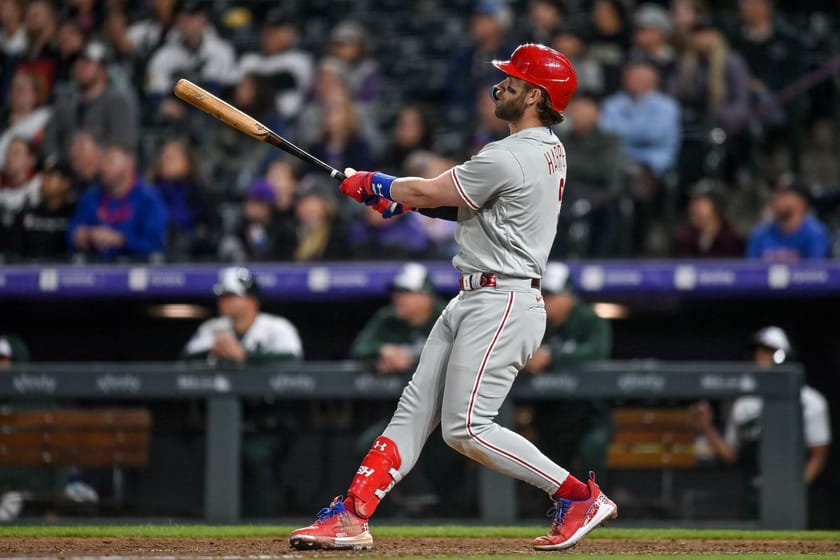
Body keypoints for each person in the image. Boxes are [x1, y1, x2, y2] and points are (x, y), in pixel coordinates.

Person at [290, 43, 617, 552]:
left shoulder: (513, 153)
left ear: (537, 94)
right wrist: (404, 198)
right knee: (413, 413)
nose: (502, 86)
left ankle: (578, 496)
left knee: (465, 428)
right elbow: (470, 207)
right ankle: (352, 516)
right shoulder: (543, 148)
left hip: (502, 300)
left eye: (513, 80)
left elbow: (430, 192)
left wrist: (374, 183)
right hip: (478, 294)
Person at [181, 266, 303, 516]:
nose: (224, 301)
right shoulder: (213, 330)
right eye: (222, 296)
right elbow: (184, 362)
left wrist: (246, 357)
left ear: (251, 299)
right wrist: (210, 353)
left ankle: (263, 523)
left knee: (256, 460)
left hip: (269, 419)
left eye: (231, 296)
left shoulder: (276, 328)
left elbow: (292, 364)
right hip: (224, 419)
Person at [690, 325, 831, 519]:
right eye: (758, 352)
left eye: (767, 352)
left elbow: (818, 456)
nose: (760, 357)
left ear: (783, 355)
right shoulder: (744, 403)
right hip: (753, 492)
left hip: (795, 492)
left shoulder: (811, 402)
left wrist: (795, 490)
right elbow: (731, 455)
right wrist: (708, 429)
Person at [520, 263, 613, 495]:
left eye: (551, 295)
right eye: (542, 294)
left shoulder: (588, 320)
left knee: (592, 452)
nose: (545, 300)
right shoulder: (535, 322)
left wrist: (553, 357)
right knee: (547, 465)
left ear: (568, 296)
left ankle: (598, 508)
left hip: (588, 415)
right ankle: (556, 519)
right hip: (550, 415)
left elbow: (597, 352)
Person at [66, 142, 167, 261]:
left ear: (129, 164)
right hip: (93, 268)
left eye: (110, 161)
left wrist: (121, 240)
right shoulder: (91, 196)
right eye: (102, 161)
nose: (103, 167)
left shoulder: (149, 199)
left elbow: (155, 243)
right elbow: (71, 232)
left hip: (136, 269)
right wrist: (85, 236)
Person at [746, 177, 831, 261]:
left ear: (802, 202)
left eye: (784, 194)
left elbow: (816, 272)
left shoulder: (815, 234)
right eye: (776, 193)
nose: (777, 198)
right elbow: (751, 271)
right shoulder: (760, 234)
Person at [671, 179, 746, 258]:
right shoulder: (683, 239)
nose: (693, 208)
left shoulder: (733, 241)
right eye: (693, 203)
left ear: (717, 206)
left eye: (700, 203)